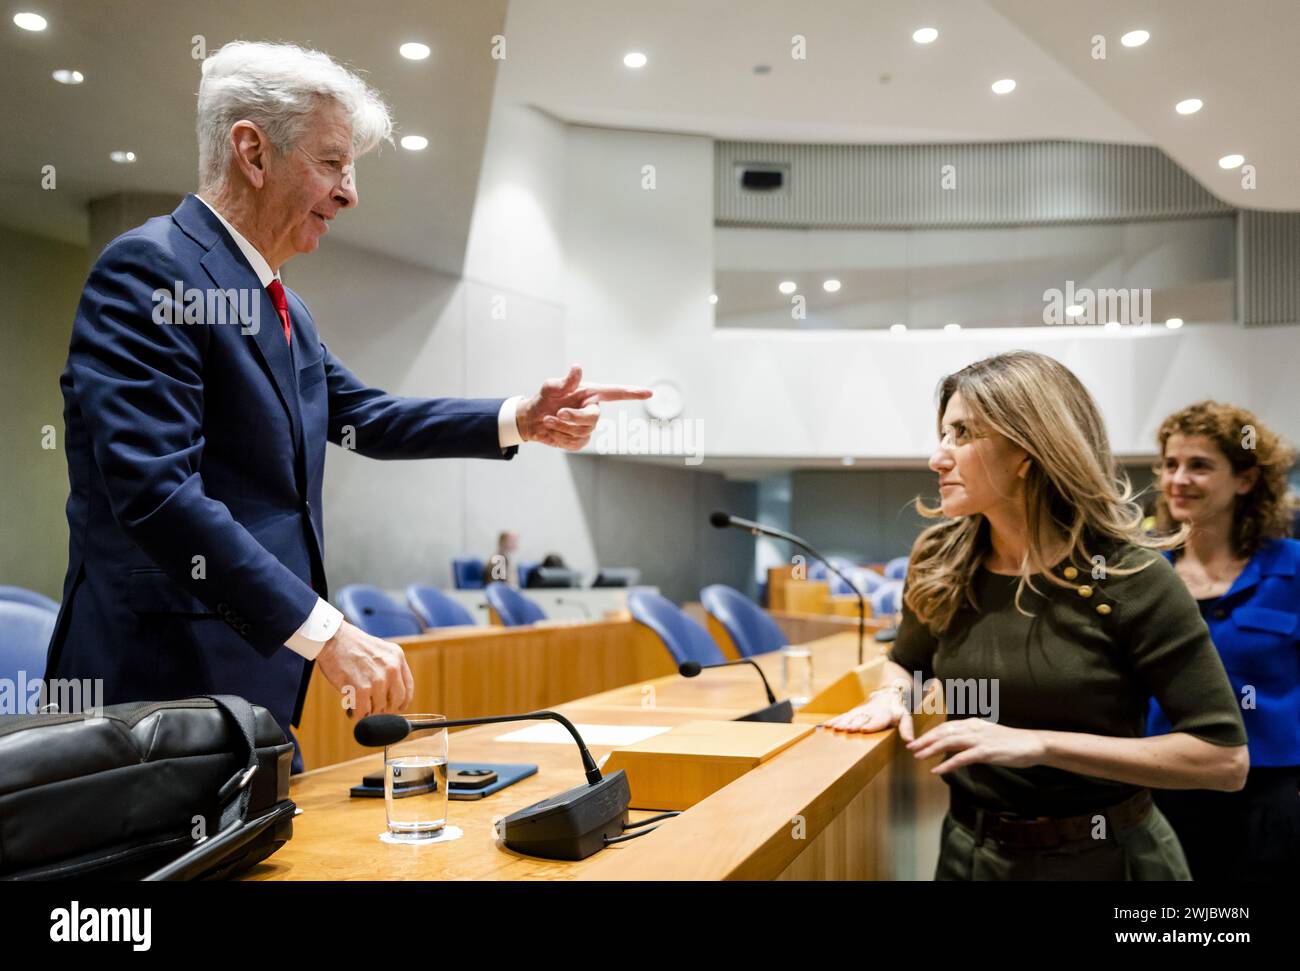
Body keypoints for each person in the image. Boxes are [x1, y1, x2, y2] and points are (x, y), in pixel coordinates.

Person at [44, 41, 649, 771]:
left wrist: (523, 417)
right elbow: (158, 493)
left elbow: (371, 418)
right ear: (253, 152)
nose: (349, 192)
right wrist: (325, 631)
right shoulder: (151, 269)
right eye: (332, 163)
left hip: (252, 687)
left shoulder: (284, 304)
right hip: (151, 696)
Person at [824, 351, 1247, 880]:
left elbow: (1222, 760)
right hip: (970, 854)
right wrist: (891, 696)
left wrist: (1040, 745)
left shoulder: (1129, 576)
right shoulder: (940, 558)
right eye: (942, 434)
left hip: (1106, 858)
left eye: (962, 434)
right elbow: (907, 664)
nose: (938, 457)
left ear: (1028, 451)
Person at [1145, 401, 1300, 880]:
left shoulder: (1293, 567)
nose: (1179, 479)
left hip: (1274, 792)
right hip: (1164, 782)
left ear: (1246, 479)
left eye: (1200, 466)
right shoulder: (1144, 574)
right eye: (1171, 464)